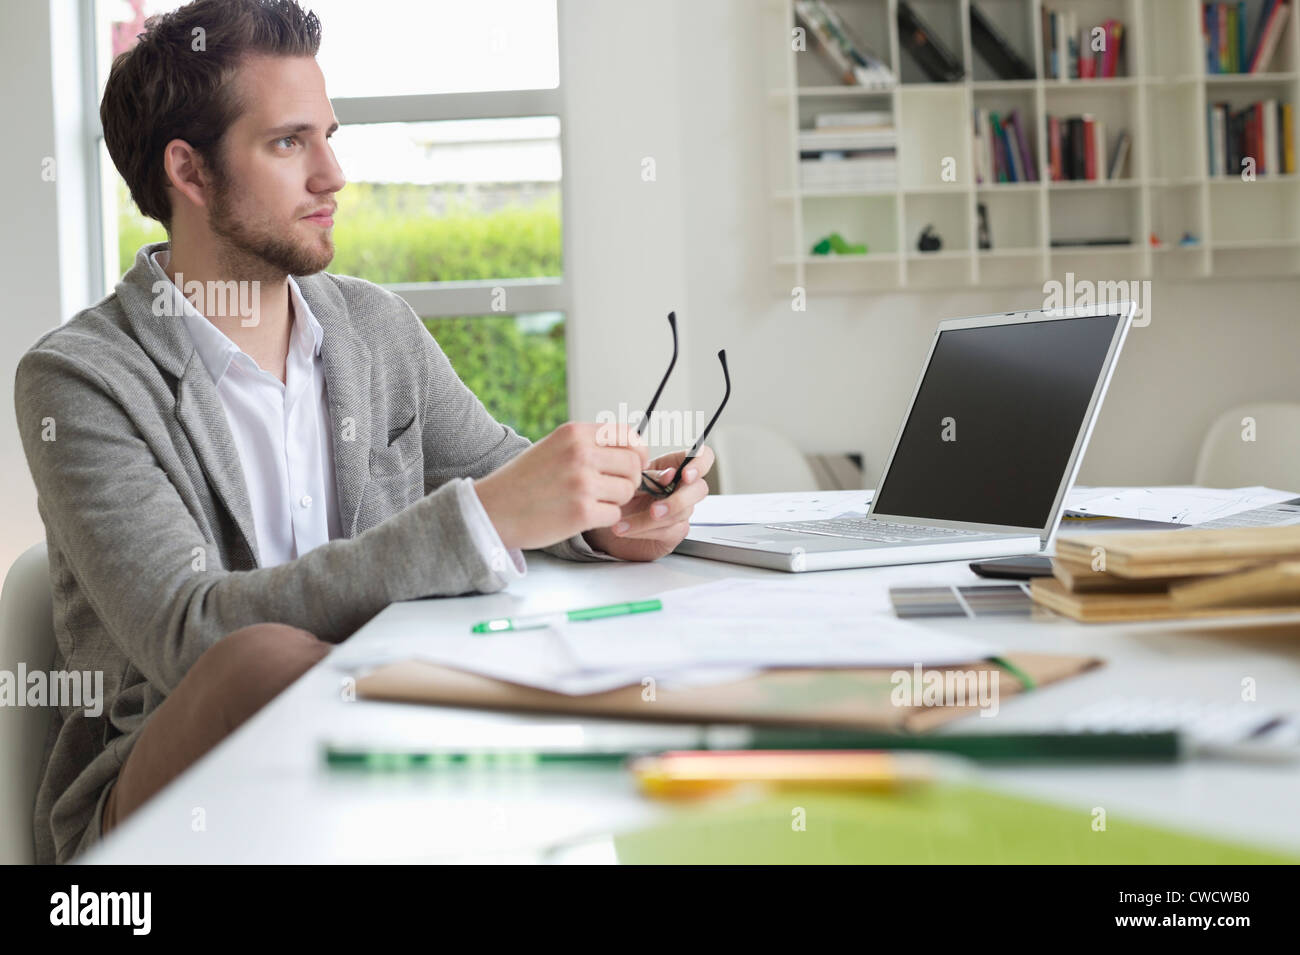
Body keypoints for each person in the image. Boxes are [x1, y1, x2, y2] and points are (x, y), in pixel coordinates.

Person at [14, 0, 712, 865]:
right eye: (288, 142)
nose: (333, 174)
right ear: (189, 172)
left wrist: (607, 512)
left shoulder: (376, 328)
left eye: (329, 136)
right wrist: (488, 518)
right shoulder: (81, 379)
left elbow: (510, 481)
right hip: (171, 804)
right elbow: (191, 635)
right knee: (255, 658)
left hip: (387, 758)